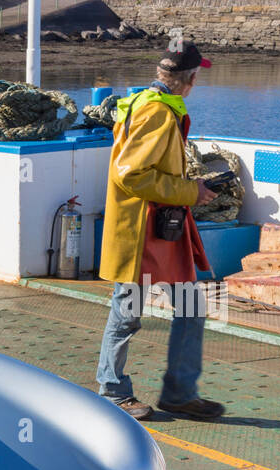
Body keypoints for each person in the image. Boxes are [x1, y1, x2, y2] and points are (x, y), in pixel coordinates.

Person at [96, 40, 224, 421]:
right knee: (127, 312)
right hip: (142, 234)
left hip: (162, 231)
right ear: (191, 79)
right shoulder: (156, 112)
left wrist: (188, 186)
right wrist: (191, 191)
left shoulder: (146, 104)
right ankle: (113, 391)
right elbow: (131, 174)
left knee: (190, 306)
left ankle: (180, 394)